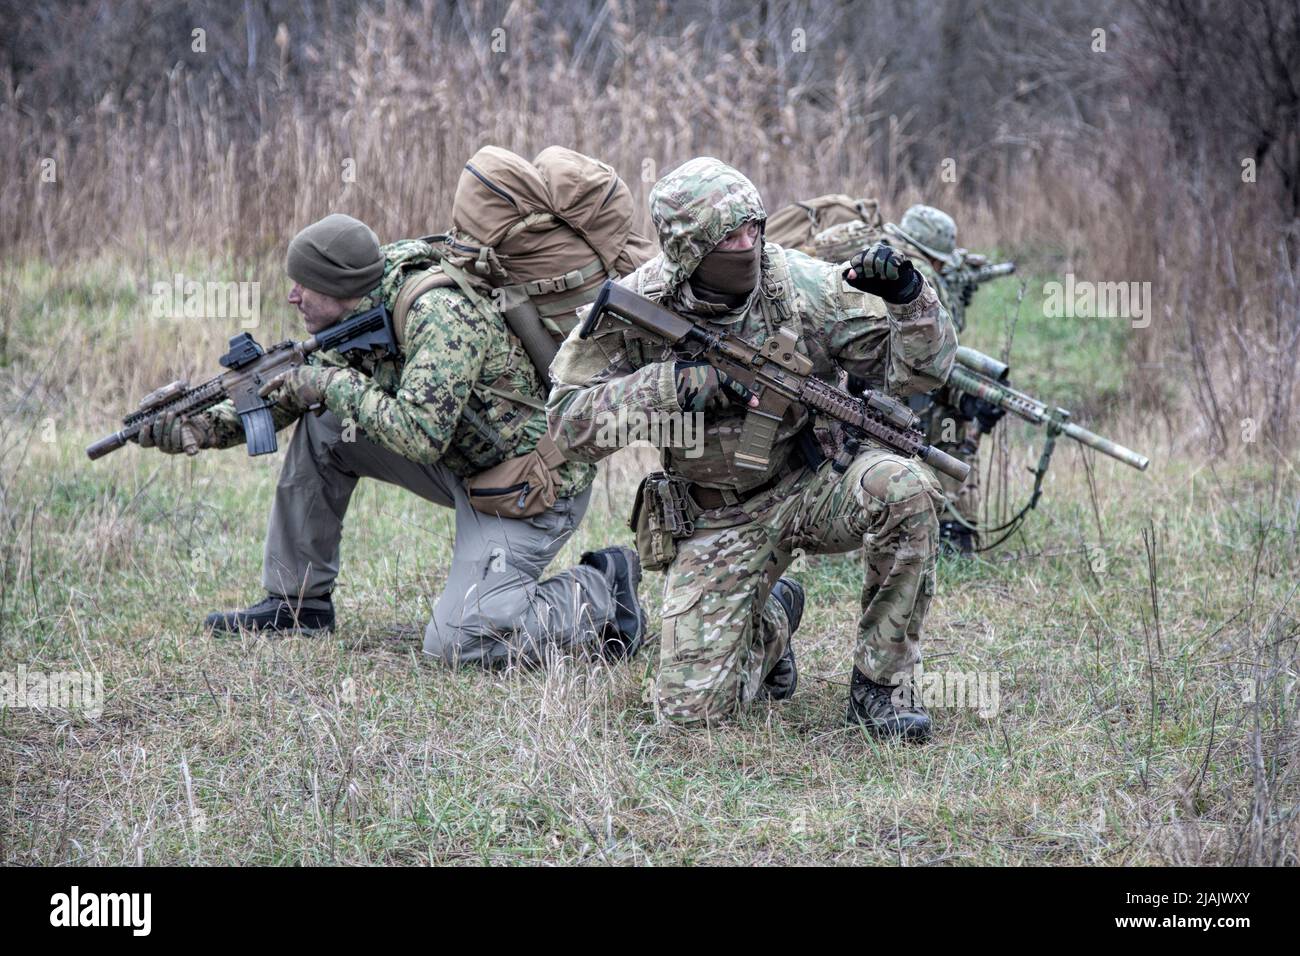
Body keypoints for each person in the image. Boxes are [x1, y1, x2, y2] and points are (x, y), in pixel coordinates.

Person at [546, 158, 957, 740]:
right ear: (689, 251)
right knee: (690, 720)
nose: (748, 245)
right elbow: (566, 424)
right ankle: (772, 621)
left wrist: (909, 300)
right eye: (729, 237)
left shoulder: (805, 287)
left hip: (811, 484)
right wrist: (682, 386)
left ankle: (880, 692)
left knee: (907, 489)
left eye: (753, 228)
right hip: (715, 516)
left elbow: (923, 374)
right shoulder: (638, 304)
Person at [138, 213, 646, 667]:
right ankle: (297, 605)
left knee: (460, 642)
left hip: (527, 486)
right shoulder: (358, 311)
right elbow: (289, 394)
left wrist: (332, 385)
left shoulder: (439, 317)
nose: (293, 297)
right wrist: (198, 427)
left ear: (339, 286)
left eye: (304, 286)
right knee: (326, 425)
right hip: (466, 462)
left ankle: (603, 588)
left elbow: (421, 435)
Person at [883, 205, 1006, 553]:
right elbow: (932, 353)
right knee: (951, 422)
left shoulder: (885, 257)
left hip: (881, 376)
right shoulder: (920, 276)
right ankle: (952, 530)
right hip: (893, 385)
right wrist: (965, 398)